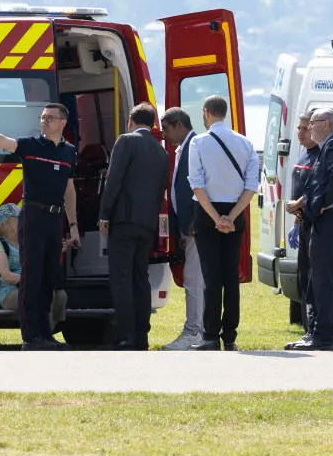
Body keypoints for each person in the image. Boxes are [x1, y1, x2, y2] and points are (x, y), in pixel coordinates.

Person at [0, 102, 80, 351]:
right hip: (33, 217)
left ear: (63, 122)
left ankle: (46, 334)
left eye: (50, 118)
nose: (44, 121)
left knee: (49, 277)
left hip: (55, 218)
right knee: (32, 277)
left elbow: (69, 190)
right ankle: (31, 337)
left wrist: (73, 225)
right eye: (42, 117)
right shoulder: (31, 145)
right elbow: (6, 142)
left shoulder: (69, 152)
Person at [186, 95, 259, 351]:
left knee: (211, 276)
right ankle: (230, 336)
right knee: (230, 276)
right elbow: (251, 186)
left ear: (206, 112)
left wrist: (216, 218)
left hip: (207, 210)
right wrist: (232, 216)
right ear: (224, 113)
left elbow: (196, 184)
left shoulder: (198, 142)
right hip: (235, 208)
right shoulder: (246, 143)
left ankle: (209, 336)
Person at [287, 108, 333, 351]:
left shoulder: (332, 146)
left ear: (325, 124)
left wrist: (321, 204)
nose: (309, 128)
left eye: (313, 124)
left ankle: (323, 337)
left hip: (329, 222)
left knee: (323, 281)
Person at [98, 102, 167, 350]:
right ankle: (141, 335)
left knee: (121, 278)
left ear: (130, 120)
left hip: (124, 221)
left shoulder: (126, 141)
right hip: (147, 224)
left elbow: (114, 180)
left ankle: (125, 335)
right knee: (141, 278)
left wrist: (104, 214)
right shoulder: (162, 151)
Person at [159, 107, 205, 350]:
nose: (164, 134)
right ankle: (200, 330)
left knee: (194, 280)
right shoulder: (184, 148)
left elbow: (197, 187)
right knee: (194, 279)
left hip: (194, 226)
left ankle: (194, 332)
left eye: (166, 129)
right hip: (189, 226)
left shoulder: (194, 146)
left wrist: (191, 223)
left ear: (178, 124)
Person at [0, 202, 66, 320]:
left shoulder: (26, 241)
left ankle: (48, 331)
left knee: (60, 295)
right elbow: (7, 276)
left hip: (31, 286)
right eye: (19, 218)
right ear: (7, 224)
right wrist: (32, 279)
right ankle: (40, 334)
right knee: (42, 297)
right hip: (10, 292)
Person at [283, 111, 319, 347]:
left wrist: (298, 206)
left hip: (316, 224)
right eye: (298, 128)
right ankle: (308, 328)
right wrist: (296, 222)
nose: (300, 133)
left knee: (314, 280)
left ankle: (314, 330)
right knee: (303, 279)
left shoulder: (319, 156)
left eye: (305, 129)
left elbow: (316, 189)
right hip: (303, 222)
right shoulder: (303, 155)